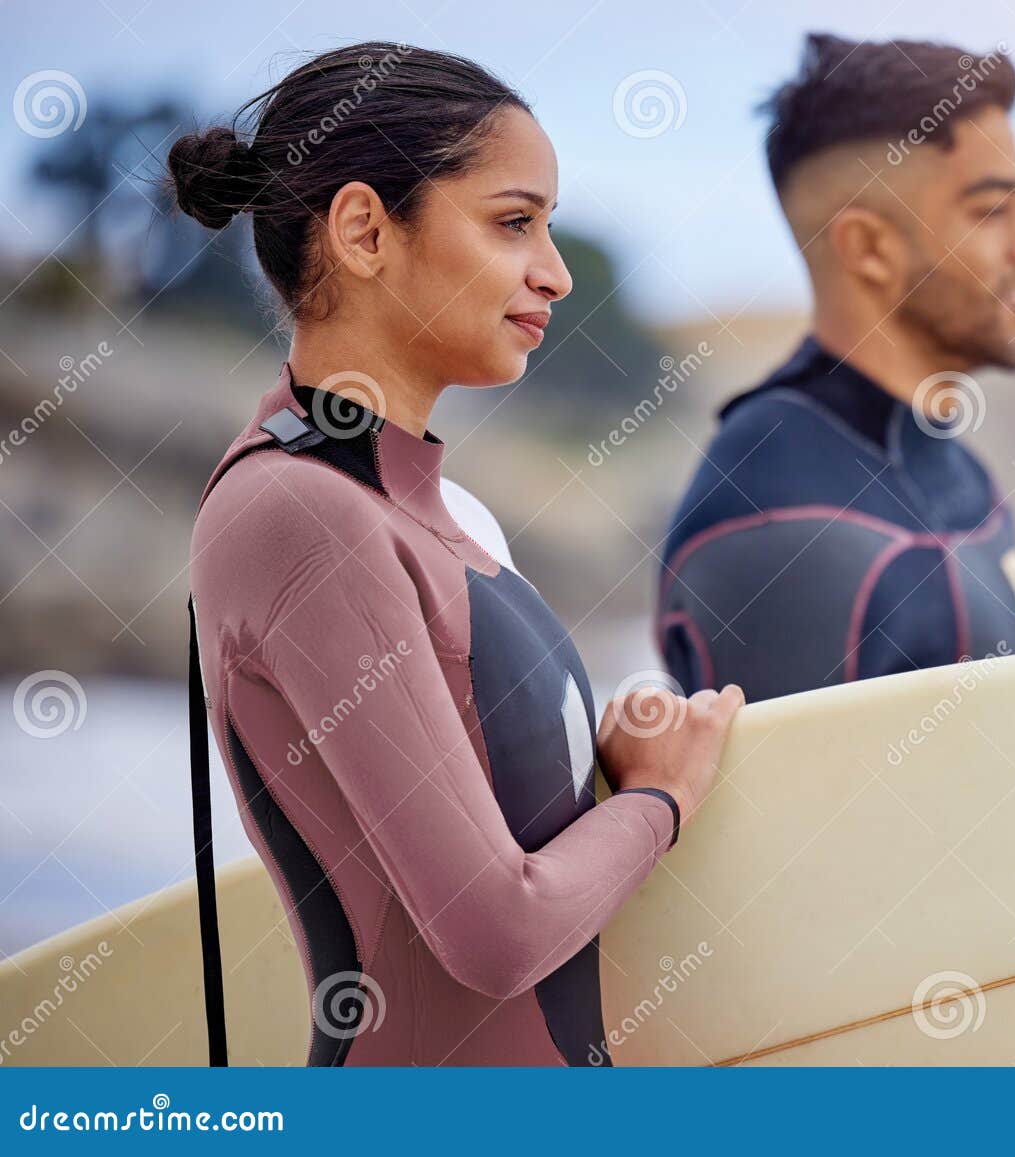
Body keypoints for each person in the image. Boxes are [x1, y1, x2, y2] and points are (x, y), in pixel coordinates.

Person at [173, 42, 742, 1067]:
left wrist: (599, 780)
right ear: (362, 230)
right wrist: (663, 799)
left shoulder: (446, 515)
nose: (554, 273)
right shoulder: (299, 510)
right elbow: (494, 931)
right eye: (513, 221)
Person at [656, 33, 1015, 704]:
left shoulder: (952, 467)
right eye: (990, 210)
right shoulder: (780, 519)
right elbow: (794, 810)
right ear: (868, 247)